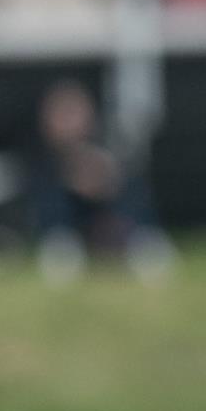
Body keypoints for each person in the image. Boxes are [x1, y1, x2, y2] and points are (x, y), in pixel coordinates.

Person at [27, 79, 173, 283]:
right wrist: (70, 180)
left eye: (74, 112)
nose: (70, 123)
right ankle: (62, 249)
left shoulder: (110, 145)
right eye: (62, 114)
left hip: (112, 220)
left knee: (130, 188)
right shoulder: (41, 162)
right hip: (69, 224)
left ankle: (143, 243)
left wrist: (104, 181)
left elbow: (132, 190)